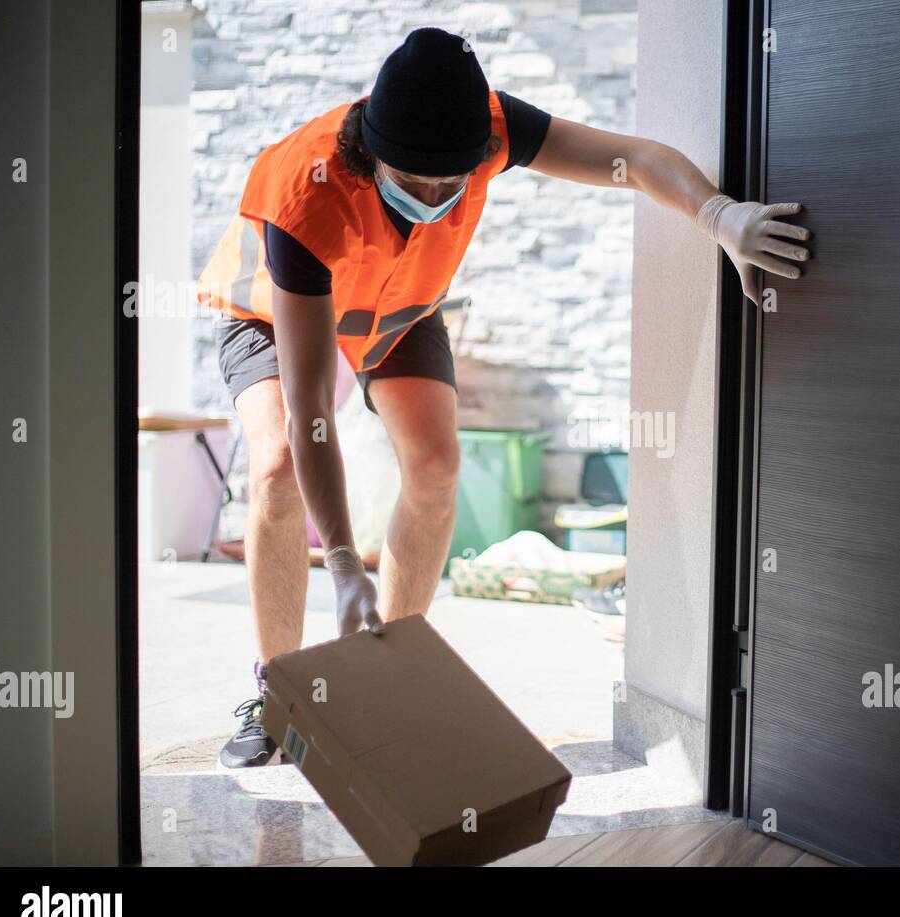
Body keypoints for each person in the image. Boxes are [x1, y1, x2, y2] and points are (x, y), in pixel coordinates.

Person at [197, 27, 811, 768]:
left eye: (448, 184)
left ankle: (392, 676)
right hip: (271, 305)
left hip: (399, 306)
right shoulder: (305, 193)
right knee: (275, 469)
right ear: (369, 149)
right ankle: (277, 688)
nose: (433, 198)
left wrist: (718, 216)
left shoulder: (495, 125)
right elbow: (311, 416)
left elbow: (637, 159)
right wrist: (345, 569)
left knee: (436, 467)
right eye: (415, 182)